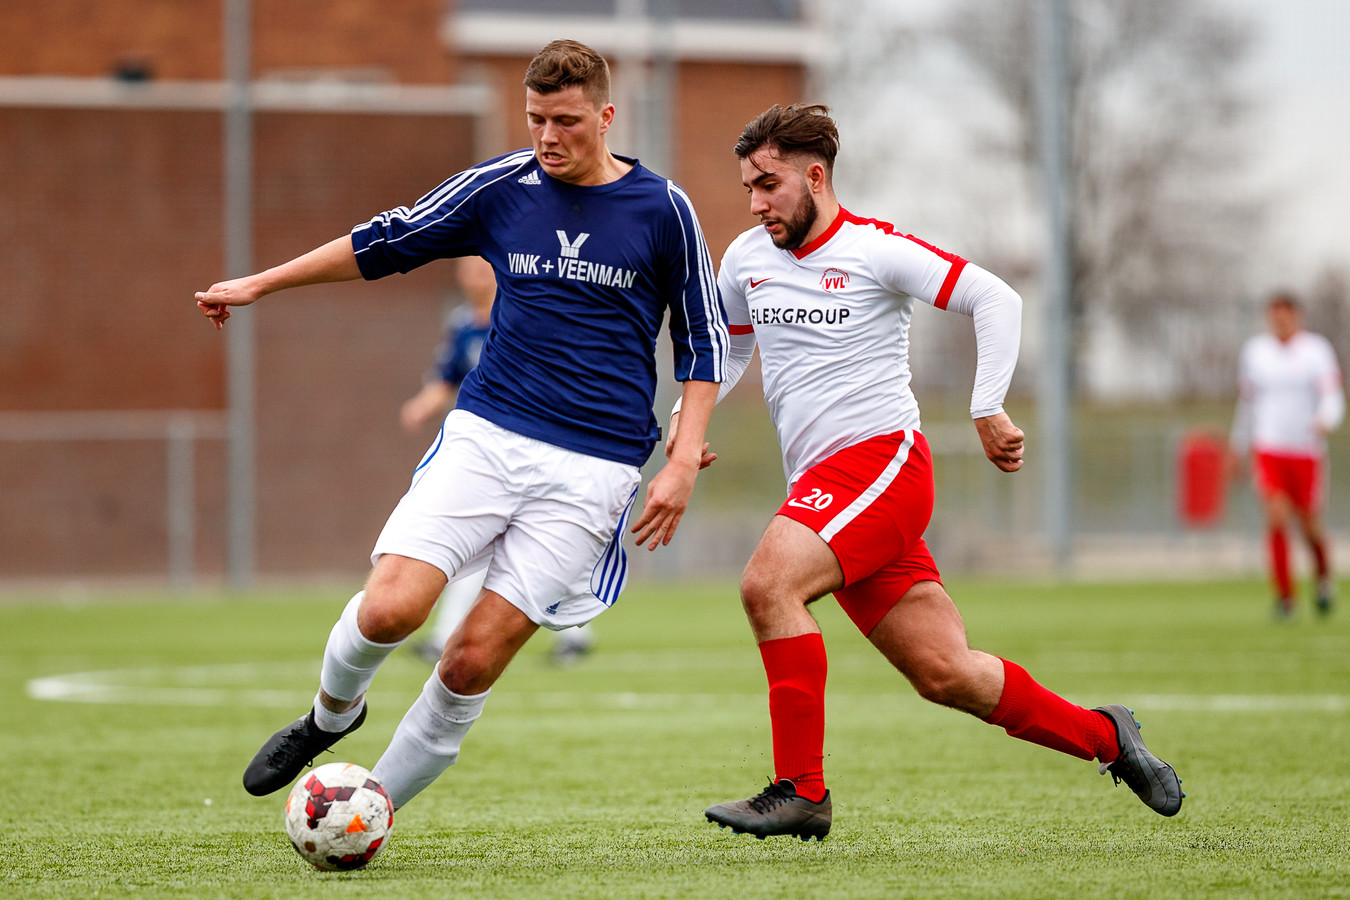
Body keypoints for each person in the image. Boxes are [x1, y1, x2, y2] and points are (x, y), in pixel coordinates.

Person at [194, 39, 727, 811]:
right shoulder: (502, 187)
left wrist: (678, 460)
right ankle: (328, 717)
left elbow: (705, 340)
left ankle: (364, 810)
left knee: (470, 662)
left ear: (607, 117)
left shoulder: (664, 210)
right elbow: (386, 241)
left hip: (595, 470)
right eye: (537, 119)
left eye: (567, 121)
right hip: (489, 434)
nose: (549, 136)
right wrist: (263, 283)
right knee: (390, 610)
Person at [687, 104, 1182, 841]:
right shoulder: (745, 259)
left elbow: (995, 297)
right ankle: (1109, 738)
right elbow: (725, 350)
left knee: (768, 584)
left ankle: (802, 790)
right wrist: (684, 430)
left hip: (884, 466)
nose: (755, 202)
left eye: (768, 184)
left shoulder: (875, 249)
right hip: (825, 494)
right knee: (948, 675)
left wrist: (988, 406)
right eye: (749, 187)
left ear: (815, 176)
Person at [401, 255, 597, 665]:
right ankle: (444, 638)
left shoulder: (525, 314)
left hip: (537, 451)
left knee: (536, 548)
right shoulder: (462, 326)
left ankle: (576, 632)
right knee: (481, 550)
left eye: (482, 267)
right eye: (467, 268)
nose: (473, 275)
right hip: (487, 457)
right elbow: (446, 380)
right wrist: (421, 407)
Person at [1229, 292, 1344, 619]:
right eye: (1274, 314)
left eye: (1285, 314)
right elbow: (1248, 405)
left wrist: (1326, 419)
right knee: (1277, 515)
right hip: (1269, 447)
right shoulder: (1255, 353)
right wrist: (1238, 446)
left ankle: (1322, 579)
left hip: (1306, 450)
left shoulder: (1316, 350)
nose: (1279, 320)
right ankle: (1285, 597)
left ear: (1297, 316)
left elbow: (1332, 396)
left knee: (1309, 526)